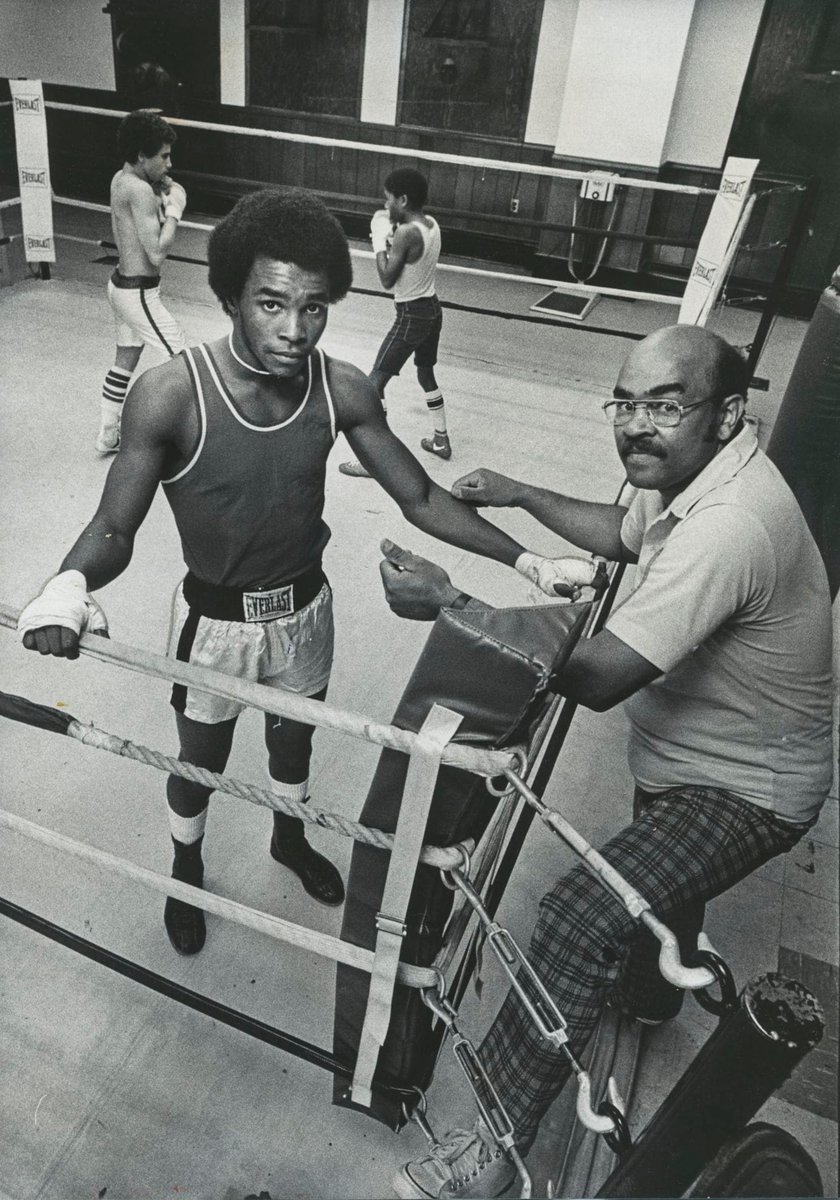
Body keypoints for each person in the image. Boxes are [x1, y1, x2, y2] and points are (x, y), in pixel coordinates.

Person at [17, 187, 590, 961]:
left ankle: (289, 837)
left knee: (295, 747)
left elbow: (419, 496)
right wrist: (68, 585)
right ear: (229, 298)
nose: (295, 329)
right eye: (273, 304)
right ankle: (187, 864)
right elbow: (115, 525)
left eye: (314, 308)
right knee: (200, 763)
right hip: (214, 622)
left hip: (306, 612)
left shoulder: (341, 388)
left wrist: (527, 558)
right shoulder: (172, 393)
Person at [379, 324, 834, 1199]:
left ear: (730, 412)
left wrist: (450, 601)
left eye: (666, 405)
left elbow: (595, 679)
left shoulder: (732, 524)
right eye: (625, 402)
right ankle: (654, 989)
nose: (636, 425)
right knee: (652, 901)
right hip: (693, 751)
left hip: (748, 788)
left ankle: (493, 1154)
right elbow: (621, 533)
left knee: (582, 915)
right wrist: (517, 493)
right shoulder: (700, 473)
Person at [340, 167, 450, 477]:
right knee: (426, 374)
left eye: (389, 200)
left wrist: (377, 243)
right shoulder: (430, 224)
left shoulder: (405, 233)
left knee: (373, 385)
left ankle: (374, 462)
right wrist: (390, 235)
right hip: (432, 308)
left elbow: (388, 278)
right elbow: (410, 255)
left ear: (402, 199)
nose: (386, 205)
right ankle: (441, 439)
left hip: (411, 314)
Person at [96, 109, 188, 455]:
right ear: (140, 155)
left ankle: (107, 434)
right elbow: (157, 252)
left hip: (120, 287)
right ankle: (183, 436)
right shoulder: (139, 191)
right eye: (163, 156)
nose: (169, 163)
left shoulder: (121, 179)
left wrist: (161, 190)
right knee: (184, 360)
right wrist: (176, 208)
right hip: (138, 294)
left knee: (125, 361)